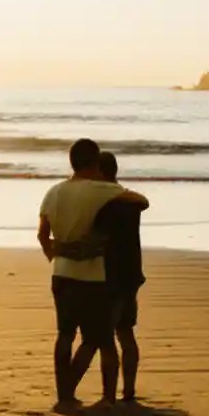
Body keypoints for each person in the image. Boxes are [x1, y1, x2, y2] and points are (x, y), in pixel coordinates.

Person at [38, 139, 149, 411]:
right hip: (90, 277)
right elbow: (140, 201)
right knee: (100, 339)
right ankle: (107, 398)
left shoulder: (53, 191)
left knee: (65, 335)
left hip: (60, 274)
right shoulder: (101, 190)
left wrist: (56, 255)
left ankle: (65, 396)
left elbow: (42, 234)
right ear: (95, 162)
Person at [79, 152, 146, 402]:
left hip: (109, 275)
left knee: (104, 338)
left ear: (100, 172)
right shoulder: (129, 199)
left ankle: (108, 396)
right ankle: (128, 391)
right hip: (132, 272)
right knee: (126, 334)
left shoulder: (104, 204)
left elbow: (96, 238)